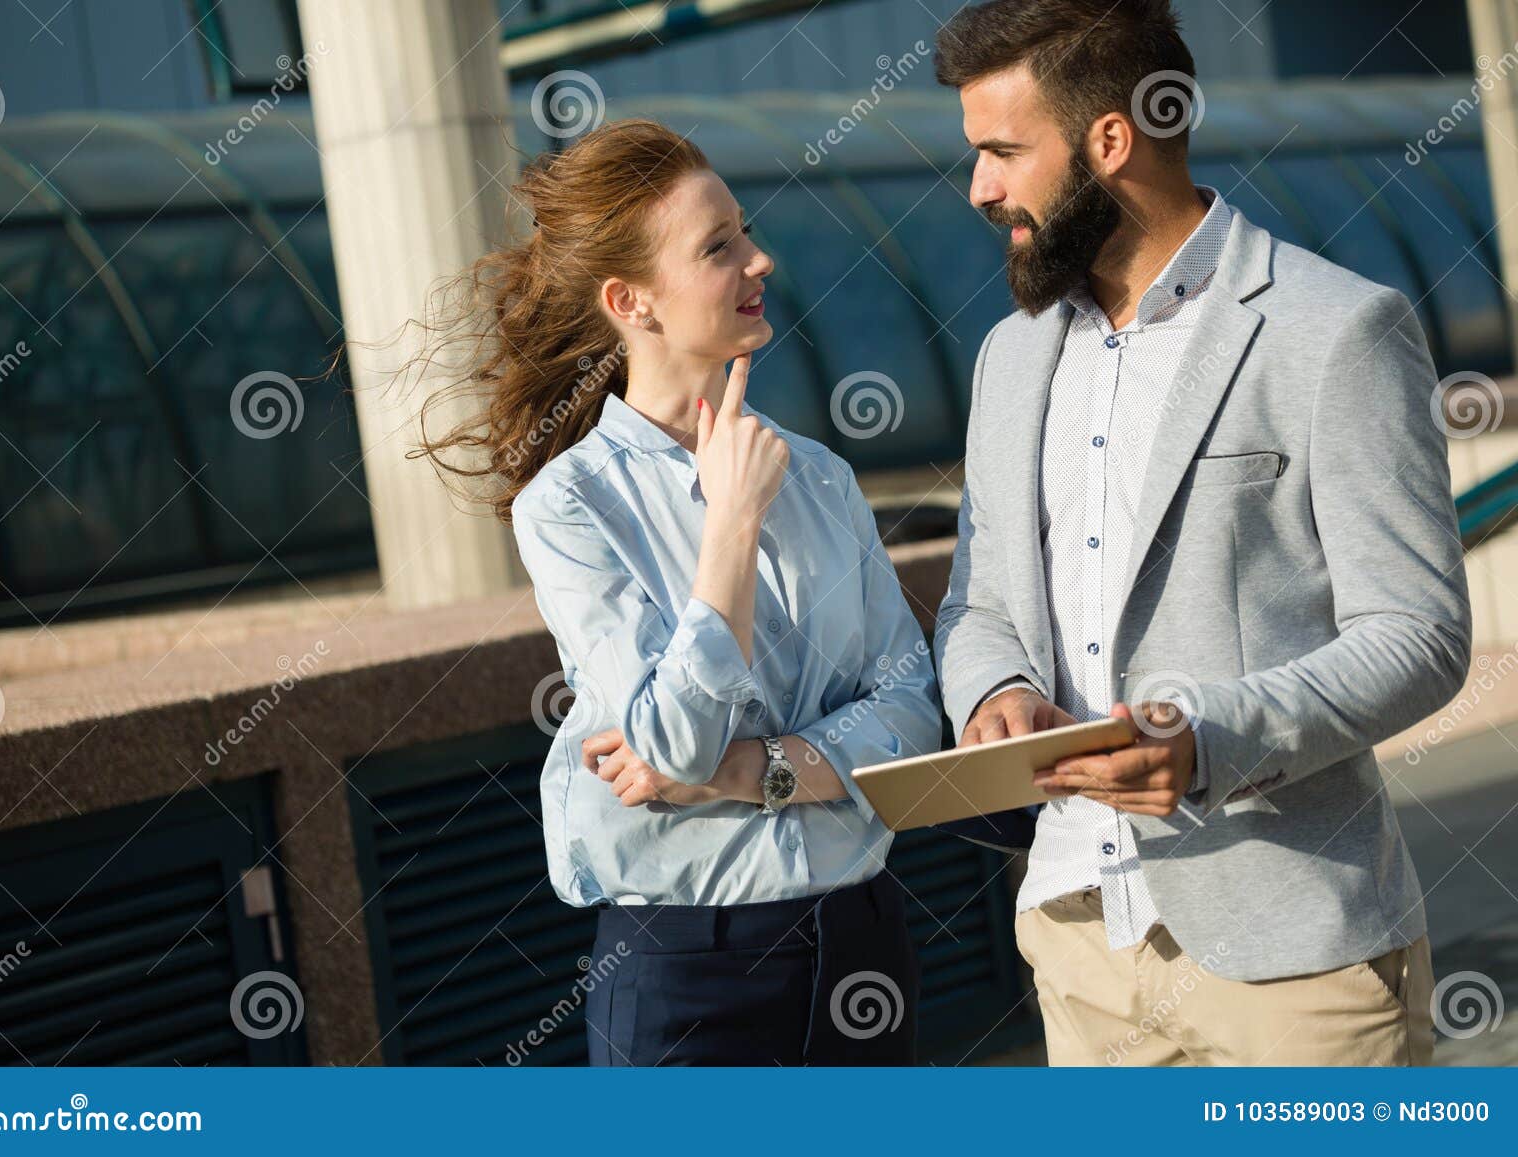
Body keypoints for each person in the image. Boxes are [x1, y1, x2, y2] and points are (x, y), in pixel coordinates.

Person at [931, 0, 1471, 1065]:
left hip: (1294, 966)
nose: (980, 188)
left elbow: (1415, 632)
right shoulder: (1007, 356)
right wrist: (992, 693)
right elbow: (978, 600)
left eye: (1001, 152)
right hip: (1078, 942)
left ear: (1110, 142)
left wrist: (1210, 738)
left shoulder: (1334, 330)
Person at [417, 119, 940, 1065]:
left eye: (743, 231)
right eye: (719, 247)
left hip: (864, 945)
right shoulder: (569, 506)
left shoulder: (819, 474)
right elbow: (669, 741)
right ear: (632, 301)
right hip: (692, 966)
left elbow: (913, 710)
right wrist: (731, 523)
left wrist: (748, 772)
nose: (759, 258)